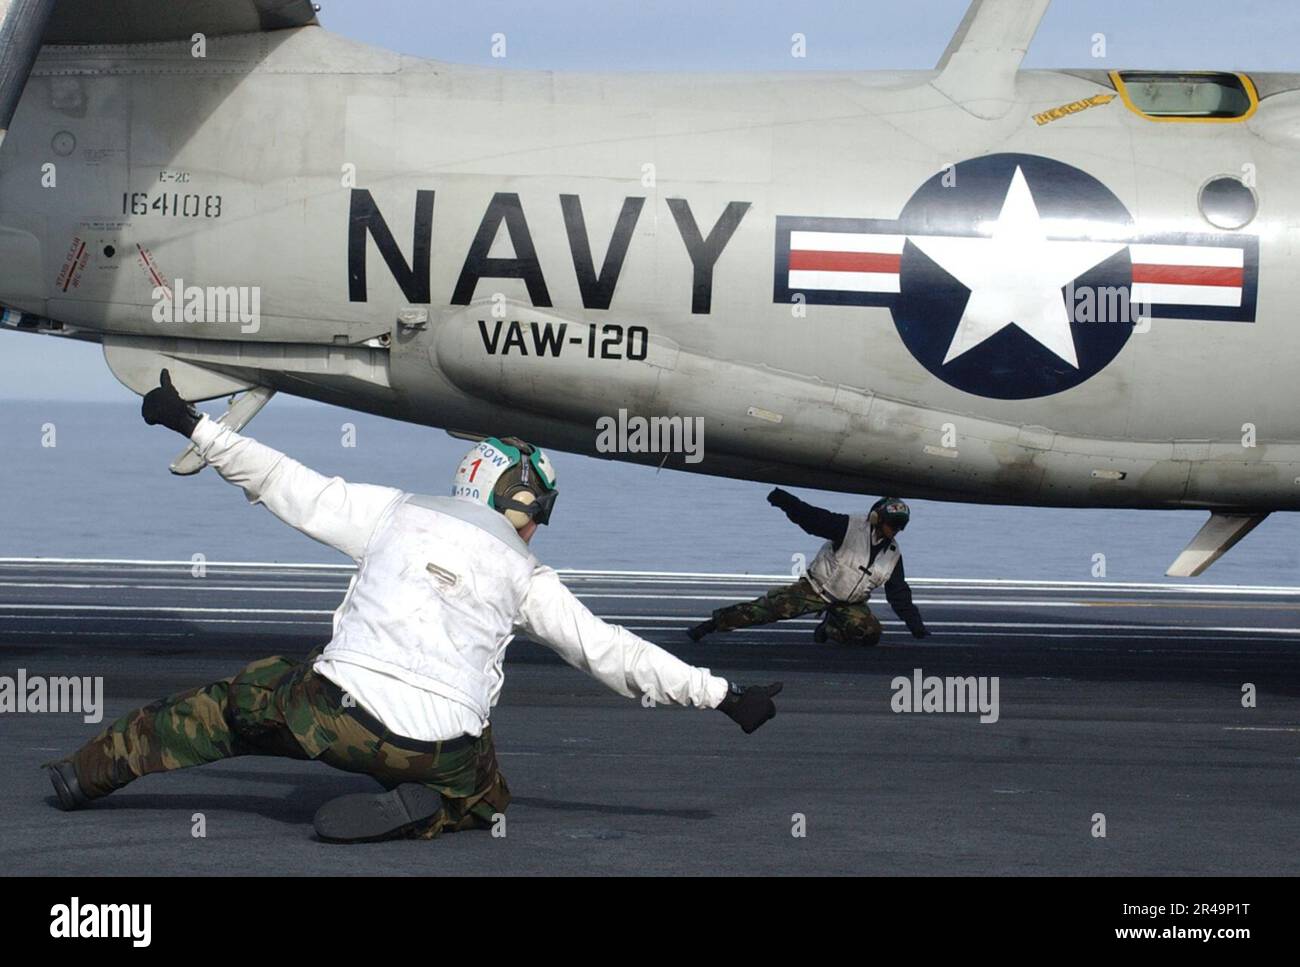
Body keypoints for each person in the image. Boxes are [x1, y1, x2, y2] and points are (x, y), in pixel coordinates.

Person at [45, 370, 782, 843]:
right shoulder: (529, 575)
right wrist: (724, 693)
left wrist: (192, 423)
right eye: (534, 514)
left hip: (332, 712)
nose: (531, 527)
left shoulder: (394, 512)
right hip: (441, 745)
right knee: (490, 796)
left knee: (208, 713)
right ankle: (437, 805)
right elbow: (611, 653)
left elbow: (283, 483)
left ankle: (83, 775)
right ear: (520, 503)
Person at [687, 488, 930, 646]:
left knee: (868, 634)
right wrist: (786, 501)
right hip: (815, 590)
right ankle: (710, 625)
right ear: (878, 519)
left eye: (900, 525)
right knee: (763, 611)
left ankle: (830, 627)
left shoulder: (893, 555)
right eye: (892, 523)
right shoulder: (849, 527)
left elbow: (899, 594)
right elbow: (813, 519)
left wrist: (916, 627)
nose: (896, 529)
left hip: (849, 602)